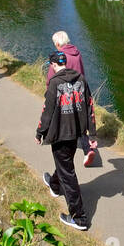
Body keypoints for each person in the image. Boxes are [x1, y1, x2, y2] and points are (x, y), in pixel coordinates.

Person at [36, 50, 96, 231]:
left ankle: (80, 218)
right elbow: (90, 106)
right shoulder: (81, 80)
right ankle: (54, 184)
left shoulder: (54, 83)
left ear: (54, 65)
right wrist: (91, 134)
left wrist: (40, 132)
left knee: (68, 174)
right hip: (76, 132)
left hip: (60, 134)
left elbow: (47, 111)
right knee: (65, 163)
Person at [46, 31, 98, 167]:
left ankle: (62, 142)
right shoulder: (77, 52)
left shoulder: (60, 57)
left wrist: (49, 89)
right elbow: (82, 71)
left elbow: (52, 76)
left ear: (57, 44)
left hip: (65, 93)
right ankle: (88, 150)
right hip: (79, 91)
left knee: (63, 120)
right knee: (79, 121)